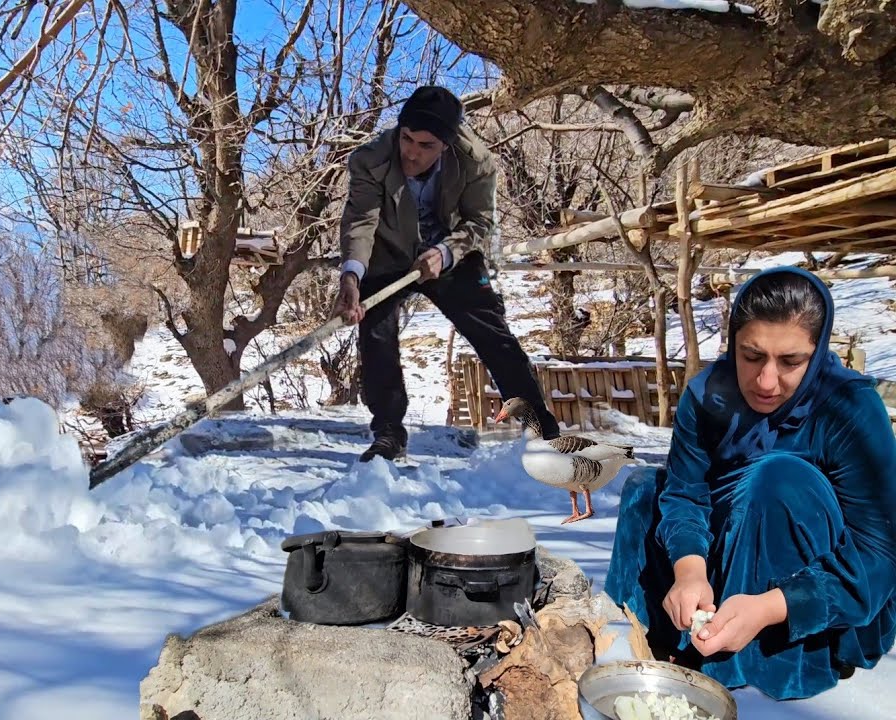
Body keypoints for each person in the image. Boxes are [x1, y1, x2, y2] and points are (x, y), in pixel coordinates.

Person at [604, 266, 896, 701]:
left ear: (817, 353)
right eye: (752, 355)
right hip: (729, 543)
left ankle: (765, 667)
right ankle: (649, 640)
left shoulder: (849, 408)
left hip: (811, 586)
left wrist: (771, 606)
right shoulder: (708, 396)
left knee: (777, 477)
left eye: (791, 362)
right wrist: (689, 570)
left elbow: (881, 554)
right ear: (733, 343)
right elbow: (685, 493)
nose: (766, 381)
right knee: (644, 488)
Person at [332, 84, 561, 462]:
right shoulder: (370, 159)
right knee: (376, 334)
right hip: (388, 254)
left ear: (446, 145)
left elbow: (480, 222)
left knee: (492, 332)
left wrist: (445, 253)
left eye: (426, 146)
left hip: (453, 252)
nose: (412, 152)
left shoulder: (476, 162)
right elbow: (360, 221)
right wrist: (351, 276)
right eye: (407, 138)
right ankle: (388, 432)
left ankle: (540, 429)